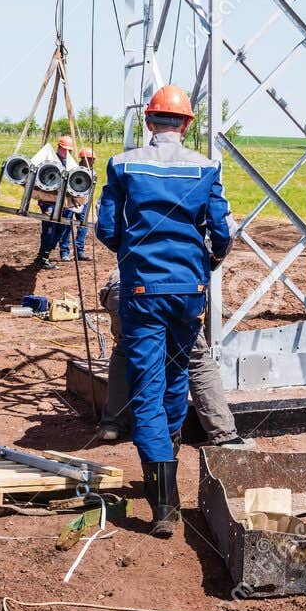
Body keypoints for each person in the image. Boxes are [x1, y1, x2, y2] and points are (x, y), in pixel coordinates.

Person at [95, 85, 231, 537]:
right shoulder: (207, 167)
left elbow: (108, 228)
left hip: (142, 290)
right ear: (187, 124)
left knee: (148, 389)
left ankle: (164, 505)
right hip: (189, 291)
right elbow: (222, 232)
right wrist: (203, 261)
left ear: (149, 121)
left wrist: (135, 254)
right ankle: (167, 475)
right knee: (176, 379)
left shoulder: (123, 164)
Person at [96, 274, 249, 448]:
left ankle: (111, 424)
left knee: (125, 352)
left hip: (124, 289)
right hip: (176, 291)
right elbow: (216, 254)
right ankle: (225, 434)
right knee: (196, 360)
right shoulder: (189, 250)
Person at [35, 135, 87, 268]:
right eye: (65, 150)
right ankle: (43, 257)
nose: (67, 153)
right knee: (49, 229)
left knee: (61, 230)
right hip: (48, 203)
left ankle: (44, 254)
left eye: (69, 151)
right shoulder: (50, 160)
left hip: (64, 204)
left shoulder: (69, 163)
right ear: (59, 147)